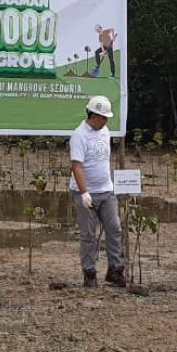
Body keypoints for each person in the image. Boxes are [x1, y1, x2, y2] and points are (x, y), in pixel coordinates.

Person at [70, 94, 126, 287]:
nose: (106, 121)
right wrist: (84, 192)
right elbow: (76, 165)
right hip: (85, 193)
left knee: (115, 228)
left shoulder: (105, 131)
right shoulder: (79, 135)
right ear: (94, 116)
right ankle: (89, 273)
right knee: (88, 235)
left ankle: (115, 270)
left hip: (106, 190)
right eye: (104, 117)